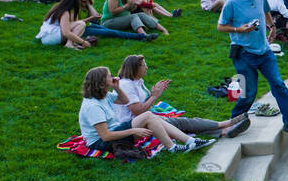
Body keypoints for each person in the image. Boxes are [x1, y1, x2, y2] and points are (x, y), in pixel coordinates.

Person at [218, 0, 288, 136]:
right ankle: (234, 122)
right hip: (242, 54)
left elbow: (266, 12)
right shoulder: (231, 3)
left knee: (279, 84)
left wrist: (272, 27)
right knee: (248, 93)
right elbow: (220, 26)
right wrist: (238, 29)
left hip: (264, 52)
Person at [77, 66, 216, 154]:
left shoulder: (104, 95)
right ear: (101, 82)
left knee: (150, 116)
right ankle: (177, 146)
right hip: (100, 142)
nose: (113, 76)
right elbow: (105, 136)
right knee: (148, 116)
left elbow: (124, 101)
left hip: (115, 130)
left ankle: (188, 142)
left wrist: (117, 87)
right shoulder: (93, 107)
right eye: (109, 76)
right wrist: (134, 131)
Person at [116, 54, 250, 139]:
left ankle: (223, 131)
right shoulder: (126, 85)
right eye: (144, 66)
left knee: (183, 127)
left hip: (144, 117)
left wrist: (153, 93)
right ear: (135, 68)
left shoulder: (137, 81)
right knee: (182, 123)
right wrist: (155, 96)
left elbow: (142, 105)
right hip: (133, 124)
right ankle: (226, 124)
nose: (147, 68)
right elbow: (137, 111)